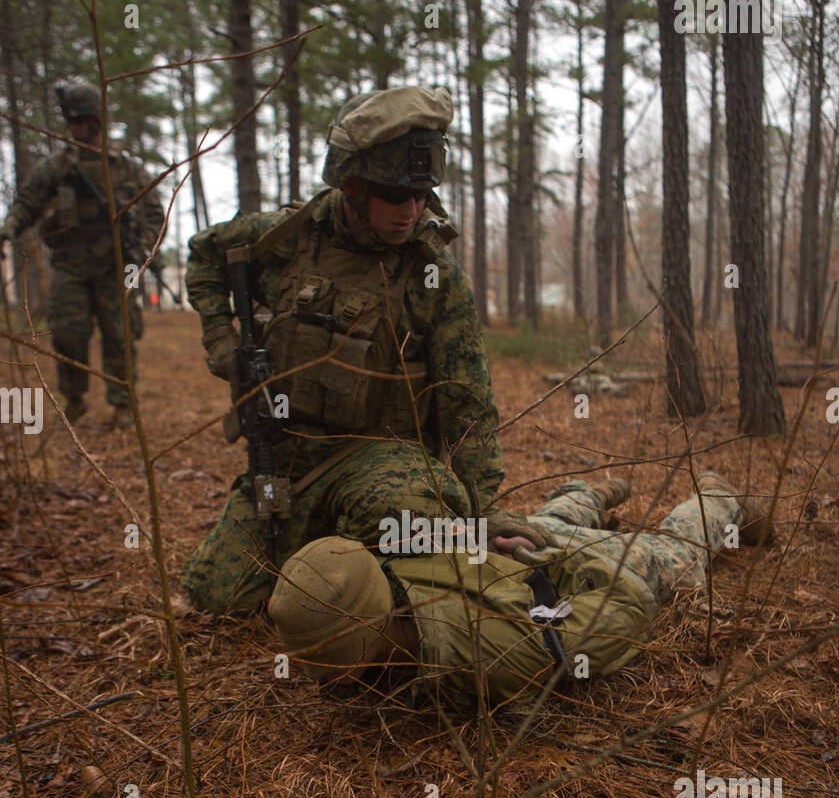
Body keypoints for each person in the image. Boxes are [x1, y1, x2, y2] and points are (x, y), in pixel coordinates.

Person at [181, 85, 556, 617]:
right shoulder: (290, 238)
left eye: (421, 194)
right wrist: (223, 344)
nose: (410, 210)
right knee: (218, 599)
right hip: (292, 461)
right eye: (393, 194)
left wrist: (485, 512)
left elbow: (467, 406)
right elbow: (205, 255)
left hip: (385, 461)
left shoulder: (434, 278)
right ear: (354, 188)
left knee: (398, 540)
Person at [268, 472, 773, 711]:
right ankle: (587, 497)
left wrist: (550, 558)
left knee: (672, 559)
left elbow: (626, 607)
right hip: (522, 555)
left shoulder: (492, 652)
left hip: (578, 567)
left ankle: (718, 498)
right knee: (542, 523)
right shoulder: (376, 568)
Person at [0, 81, 165, 429]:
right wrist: (9, 227)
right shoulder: (57, 167)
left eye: (82, 121)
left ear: (97, 122)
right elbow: (28, 202)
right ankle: (74, 400)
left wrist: (141, 245)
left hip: (117, 266)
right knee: (68, 334)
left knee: (120, 335)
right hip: (70, 263)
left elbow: (154, 216)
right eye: (71, 121)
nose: (75, 129)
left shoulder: (126, 169)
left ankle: (123, 407)